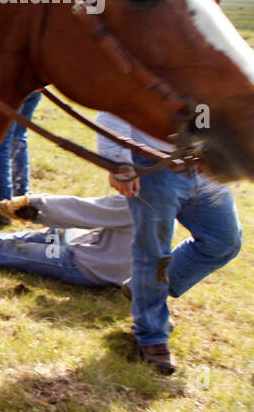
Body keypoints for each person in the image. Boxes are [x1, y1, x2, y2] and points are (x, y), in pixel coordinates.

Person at [98, 110, 242, 374]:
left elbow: (207, 109)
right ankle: (152, 336)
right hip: (153, 164)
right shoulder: (150, 67)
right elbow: (114, 106)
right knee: (153, 253)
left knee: (224, 241)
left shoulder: (212, 69)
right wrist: (118, 161)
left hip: (201, 164)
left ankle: (141, 290)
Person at [0, 192, 134, 288]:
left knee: (13, 250)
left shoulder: (142, 201)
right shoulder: (154, 196)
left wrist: (32, 203)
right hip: (98, 252)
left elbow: (85, 210)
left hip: (84, 265)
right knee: (55, 233)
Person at [0, 91, 42, 221]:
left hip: (14, 86)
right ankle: (21, 201)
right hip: (35, 87)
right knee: (18, 137)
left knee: (0, 141)